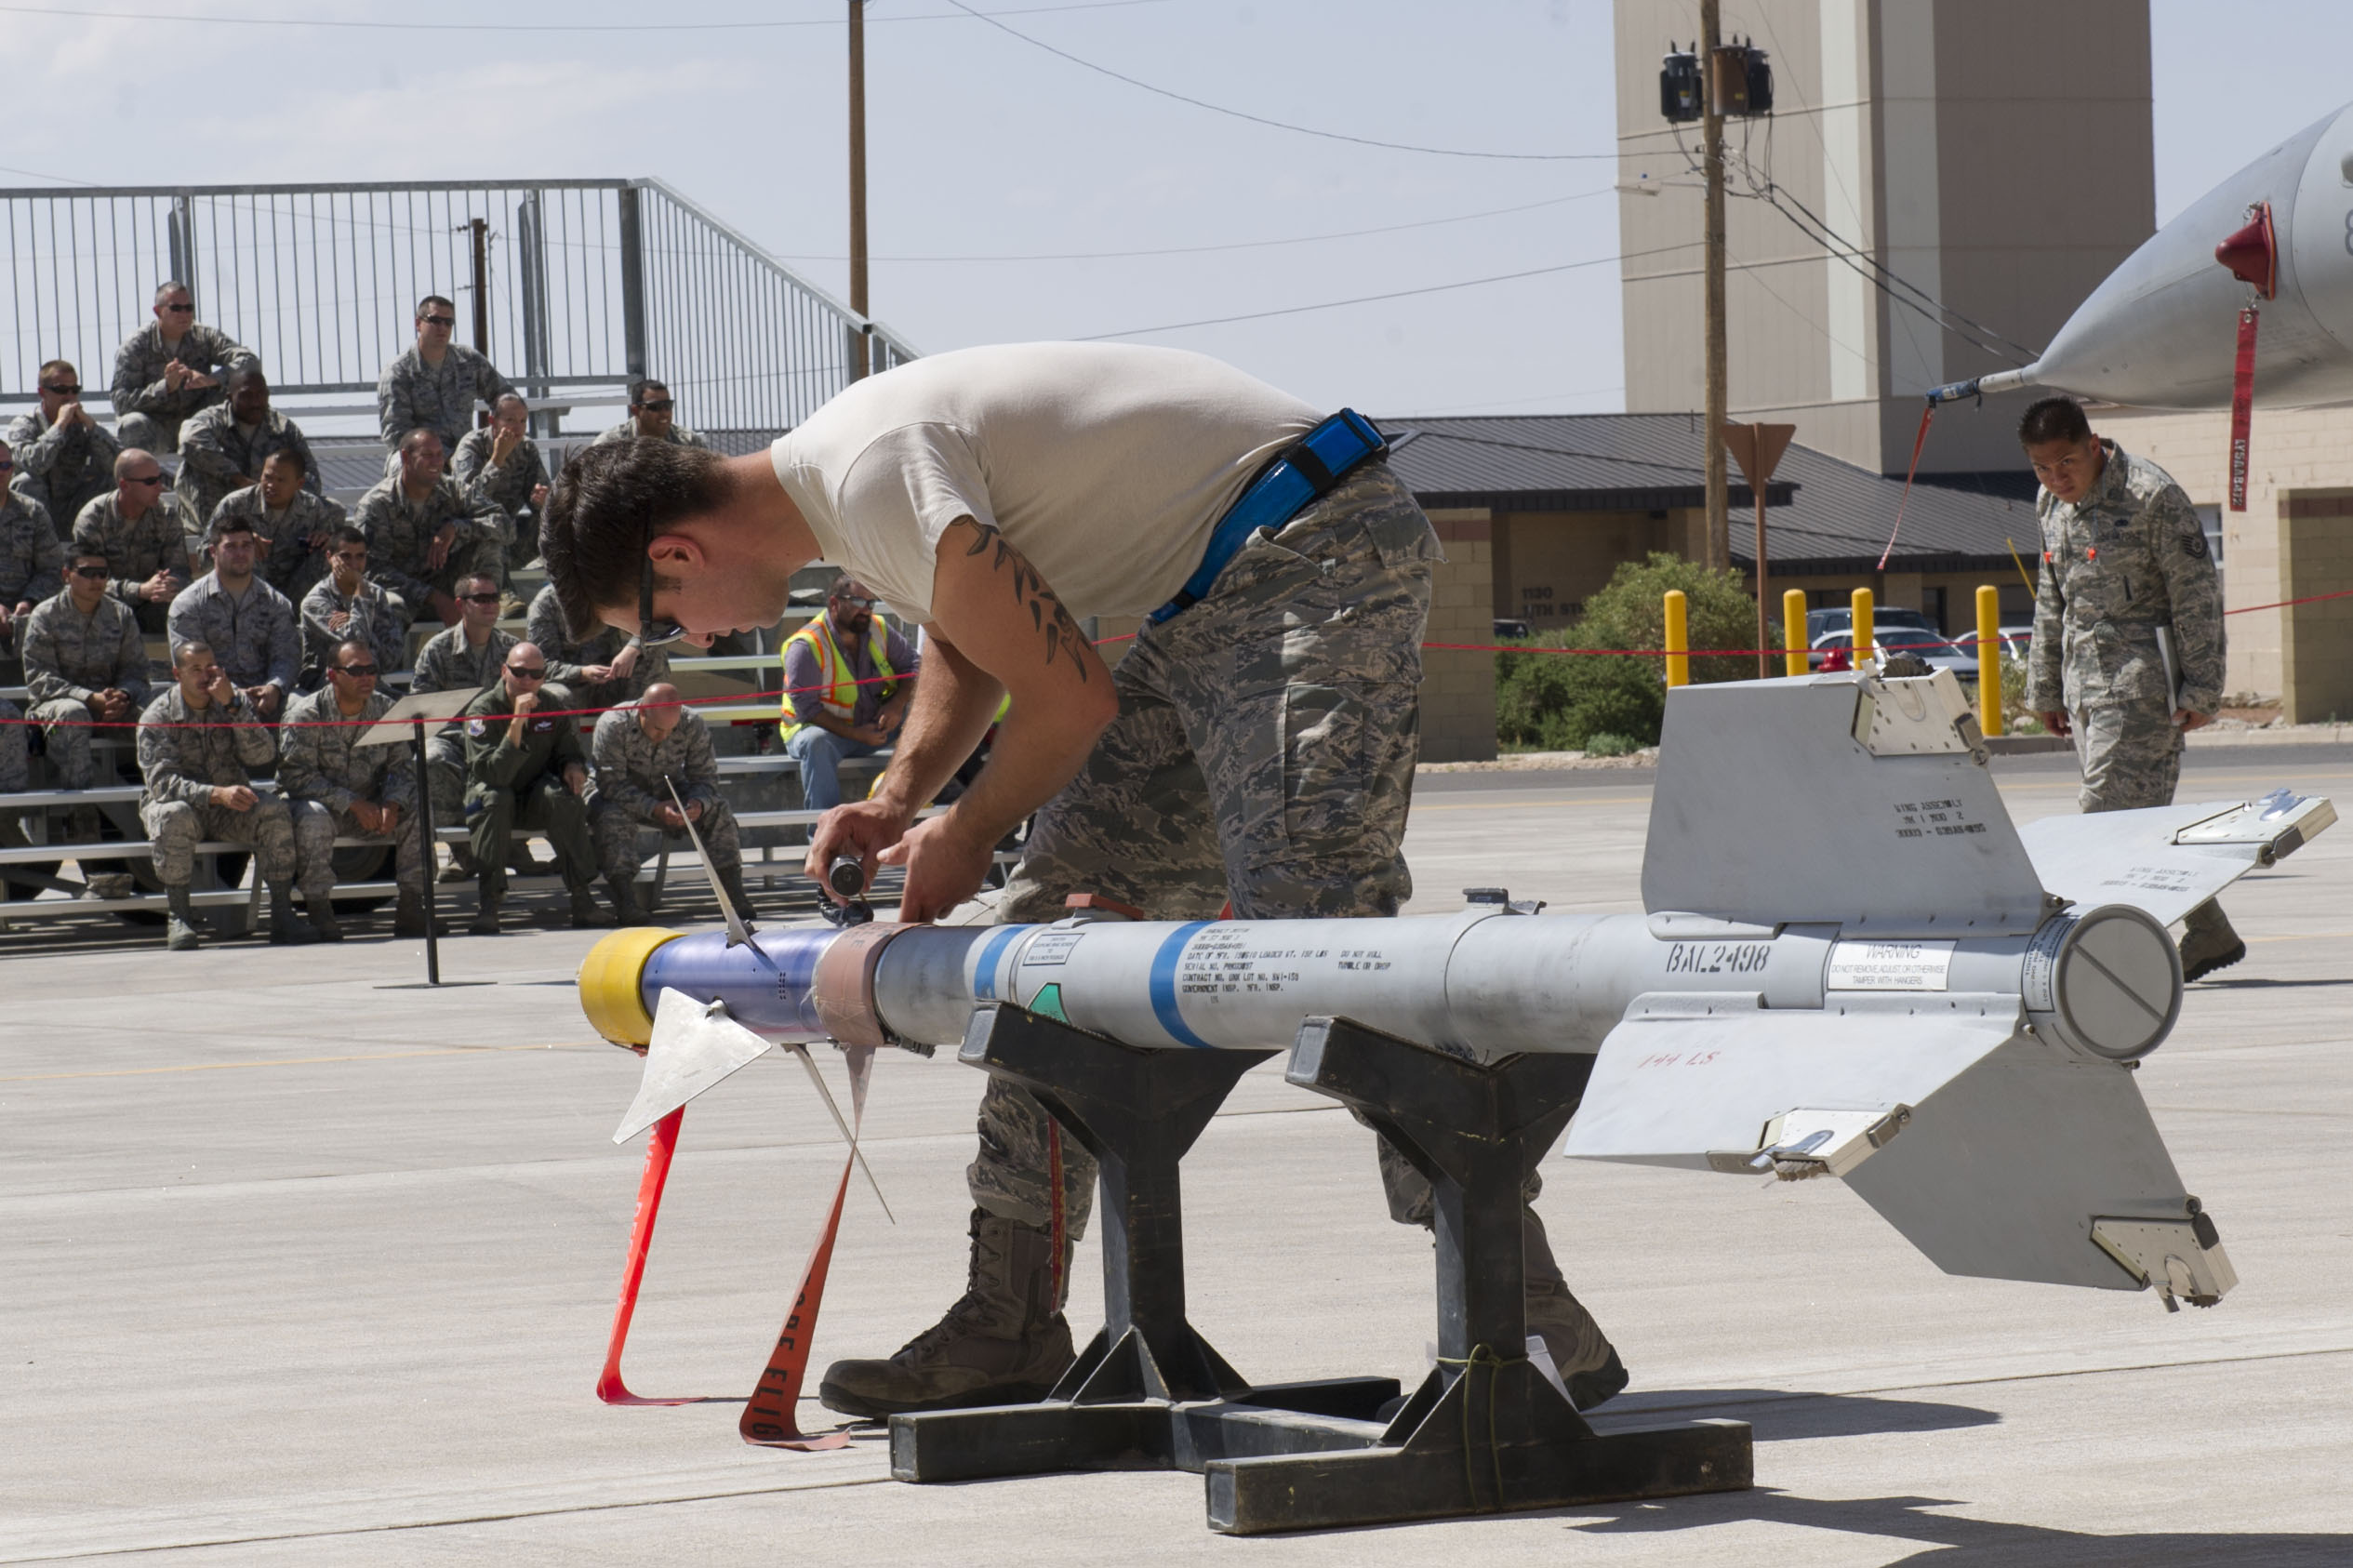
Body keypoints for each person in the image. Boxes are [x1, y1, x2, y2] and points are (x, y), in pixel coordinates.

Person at [537, 341, 1620, 1422]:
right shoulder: (850, 493)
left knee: (1317, 931)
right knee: (1048, 950)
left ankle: (1522, 1314)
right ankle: (1008, 1321)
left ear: (676, 550)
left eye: (670, 620)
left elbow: (1069, 703)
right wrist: (900, 800)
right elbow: (974, 644)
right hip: (1204, 600)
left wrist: (967, 829)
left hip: (1311, 550)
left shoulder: (868, 472)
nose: (701, 637)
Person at [2024, 396, 2240, 981]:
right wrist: (2044, 688)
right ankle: (2210, 932)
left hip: (2142, 688)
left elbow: (2196, 594)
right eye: (2042, 467)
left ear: (2093, 445)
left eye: (2066, 462)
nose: (2056, 477)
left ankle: (2085, 961)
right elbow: (2053, 598)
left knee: (2098, 822)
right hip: (2084, 690)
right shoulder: (2049, 504)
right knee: (2135, 824)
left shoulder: (2150, 496)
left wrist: (2202, 688)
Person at [137, 639, 319, 950]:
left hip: (229, 806)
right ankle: (179, 916)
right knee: (172, 814)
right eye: (195, 669)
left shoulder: (231, 701)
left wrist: (235, 707)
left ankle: (281, 913)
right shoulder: (158, 715)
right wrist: (216, 793)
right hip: (183, 804)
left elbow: (263, 755)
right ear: (177, 673)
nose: (205, 675)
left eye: (211, 667)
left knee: (273, 809)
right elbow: (162, 784)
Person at [280, 638, 428, 939]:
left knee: (418, 810)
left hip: (372, 807)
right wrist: (353, 803)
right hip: (319, 807)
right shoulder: (306, 714)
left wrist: (393, 803)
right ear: (332, 674)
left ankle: (412, 906)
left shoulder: (384, 708)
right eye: (356, 671)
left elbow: (401, 767)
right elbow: (297, 778)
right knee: (314, 816)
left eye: (371, 670)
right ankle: (319, 909)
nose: (366, 677)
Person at [459, 641, 605, 935]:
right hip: (493, 797)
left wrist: (573, 767)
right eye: (519, 672)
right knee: (494, 798)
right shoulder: (482, 709)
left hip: (532, 797)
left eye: (536, 674)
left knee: (561, 796)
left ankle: (582, 898)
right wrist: (517, 721)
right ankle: (490, 904)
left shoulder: (551, 706)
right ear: (504, 671)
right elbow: (494, 773)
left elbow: (569, 751)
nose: (527, 680)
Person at [589, 680, 748, 924]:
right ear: (642, 712)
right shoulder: (613, 723)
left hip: (669, 788)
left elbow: (705, 777)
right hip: (622, 796)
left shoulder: (691, 723)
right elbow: (611, 785)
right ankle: (626, 901)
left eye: (669, 730)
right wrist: (653, 808)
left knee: (718, 809)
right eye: (657, 729)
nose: (662, 736)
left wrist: (698, 804)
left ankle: (736, 896)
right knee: (611, 816)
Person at [410, 570, 515, 881]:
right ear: (460, 604)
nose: (491, 605)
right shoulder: (438, 649)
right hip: (453, 739)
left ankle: (516, 849)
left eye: (494, 598)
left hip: (499, 738)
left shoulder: (511, 649)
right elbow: (422, 708)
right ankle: (462, 852)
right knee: (430, 759)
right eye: (481, 599)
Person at [21, 545, 153, 791]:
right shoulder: (45, 615)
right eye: (87, 572)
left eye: (102, 573)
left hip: (111, 707)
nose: (96, 580)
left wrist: (122, 695)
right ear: (66, 575)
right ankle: (82, 818)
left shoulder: (121, 614)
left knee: (156, 713)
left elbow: (135, 671)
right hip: (56, 706)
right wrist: (90, 698)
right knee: (75, 713)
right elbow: (41, 679)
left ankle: (160, 799)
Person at [781, 574, 916, 812]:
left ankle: (934, 811)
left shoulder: (879, 628)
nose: (866, 610)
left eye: (871, 603)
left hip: (874, 727)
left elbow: (914, 667)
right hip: (822, 731)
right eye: (858, 602)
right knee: (816, 743)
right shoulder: (806, 645)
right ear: (834, 603)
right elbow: (807, 709)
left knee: (931, 716)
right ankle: (823, 840)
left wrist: (896, 705)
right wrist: (856, 734)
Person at [356, 429, 506, 629]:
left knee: (489, 544)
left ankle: (483, 633)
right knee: (391, 607)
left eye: (440, 455)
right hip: (403, 593)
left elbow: (504, 524)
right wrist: (432, 597)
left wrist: (457, 528)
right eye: (427, 456)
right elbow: (371, 570)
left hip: (448, 586)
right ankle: (393, 661)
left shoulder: (453, 490)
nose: (437, 462)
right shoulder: (376, 505)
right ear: (405, 457)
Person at [166, 515, 299, 723]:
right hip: (210, 697)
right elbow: (191, 666)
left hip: (266, 698)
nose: (240, 553)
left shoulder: (276, 603)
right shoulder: (188, 605)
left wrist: (274, 687)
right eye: (231, 547)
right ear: (213, 552)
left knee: (302, 709)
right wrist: (234, 695)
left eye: (246, 545)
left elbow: (286, 657)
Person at [108, 281, 252, 459]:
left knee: (238, 394)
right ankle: (146, 479)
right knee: (132, 425)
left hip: (198, 421)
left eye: (188, 308)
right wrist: (164, 388)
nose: (184, 314)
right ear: (158, 311)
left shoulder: (203, 336)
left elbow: (249, 362)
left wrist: (212, 380)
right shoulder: (137, 345)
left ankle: (236, 470)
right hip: (156, 426)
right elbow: (120, 402)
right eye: (176, 308)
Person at [177, 364, 321, 537]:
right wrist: (238, 478)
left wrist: (284, 495)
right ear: (229, 397)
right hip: (214, 518)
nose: (255, 402)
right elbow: (189, 441)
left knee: (332, 510)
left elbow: (310, 475)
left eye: (261, 395)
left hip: (265, 517)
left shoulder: (282, 427)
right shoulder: (211, 419)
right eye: (246, 396)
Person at [72, 449, 189, 634]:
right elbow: (88, 580)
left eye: (161, 478)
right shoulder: (93, 518)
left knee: (184, 610)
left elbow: (180, 570)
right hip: (106, 603)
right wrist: (140, 590)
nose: (160, 487)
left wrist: (167, 585)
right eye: (150, 482)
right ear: (125, 485)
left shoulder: (166, 516)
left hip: (152, 603)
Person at [206, 445, 344, 602]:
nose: (271, 485)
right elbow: (205, 552)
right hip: (247, 591)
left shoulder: (313, 508)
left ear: (299, 484)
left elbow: (335, 554)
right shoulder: (234, 504)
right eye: (268, 477)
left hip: (296, 588)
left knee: (328, 556)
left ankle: (314, 615)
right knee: (244, 551)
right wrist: (239, 542)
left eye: (281, 480)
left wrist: (327, 542)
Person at [450, 392, 549, 602]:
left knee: (555, 519)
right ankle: (500, 594)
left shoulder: (527, 448)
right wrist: (497, 460)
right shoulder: (471, 446)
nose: (518, 427)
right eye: (510, 420)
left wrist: (542, 501)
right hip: (474, 540)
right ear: (493, 421)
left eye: (523, 421)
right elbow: (467, 503)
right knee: (492, 528)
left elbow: (540, 497)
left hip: (510, 537)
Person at [378, 295, 506, 449]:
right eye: (435, 321)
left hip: (465, 455)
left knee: (523, 451)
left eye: (448, 322)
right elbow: (396, 434)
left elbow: (505, 397)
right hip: (420, 457)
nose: (443, 328)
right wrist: (439, 457)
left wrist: (500, 433)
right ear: (418, 323)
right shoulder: (398, 372)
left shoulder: (468, 360)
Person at [7, 360, 118, 527]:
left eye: (75, 390)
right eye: (61, 390)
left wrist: (91, 426)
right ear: (42, 392)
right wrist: (59, 426)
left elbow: (115, 464)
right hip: (39, 509)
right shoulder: (25, 424)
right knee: (27, 481)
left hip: (74, 505)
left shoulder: (83, 424)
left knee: (113, 480)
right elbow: (33, 464)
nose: (69, 396)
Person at [526, 579, 665, 712]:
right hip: (571, 686)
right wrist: (581, 673)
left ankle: (636, 719)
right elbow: (542, 666)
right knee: (558, 695)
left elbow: (653, 622)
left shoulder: (609, 594)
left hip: (610, 678)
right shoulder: (545, 604)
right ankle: (566, 736)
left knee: (652, 648)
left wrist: (632, 649)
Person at [299, 527, 409, 691]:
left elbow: (390, 659)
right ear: (330, 557)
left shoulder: (376, 594)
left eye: (360, 556)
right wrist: (361, 594)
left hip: (369, 680)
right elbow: (357, 648)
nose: (354, 565)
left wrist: (352, 619)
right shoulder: (315, 601)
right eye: (345, 557)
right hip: (327, 684)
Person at [0, 438, 67, 685]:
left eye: (5, 465)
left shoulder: (32, 512)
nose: (1, 472)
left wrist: (28, 601)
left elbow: (51, 571)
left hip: (27, 614)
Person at [590, 377, 713, 451]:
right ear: (635, 410)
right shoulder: (611, 444)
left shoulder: (688, 441)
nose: (664, 413)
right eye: (655, 407)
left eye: (668, 406)